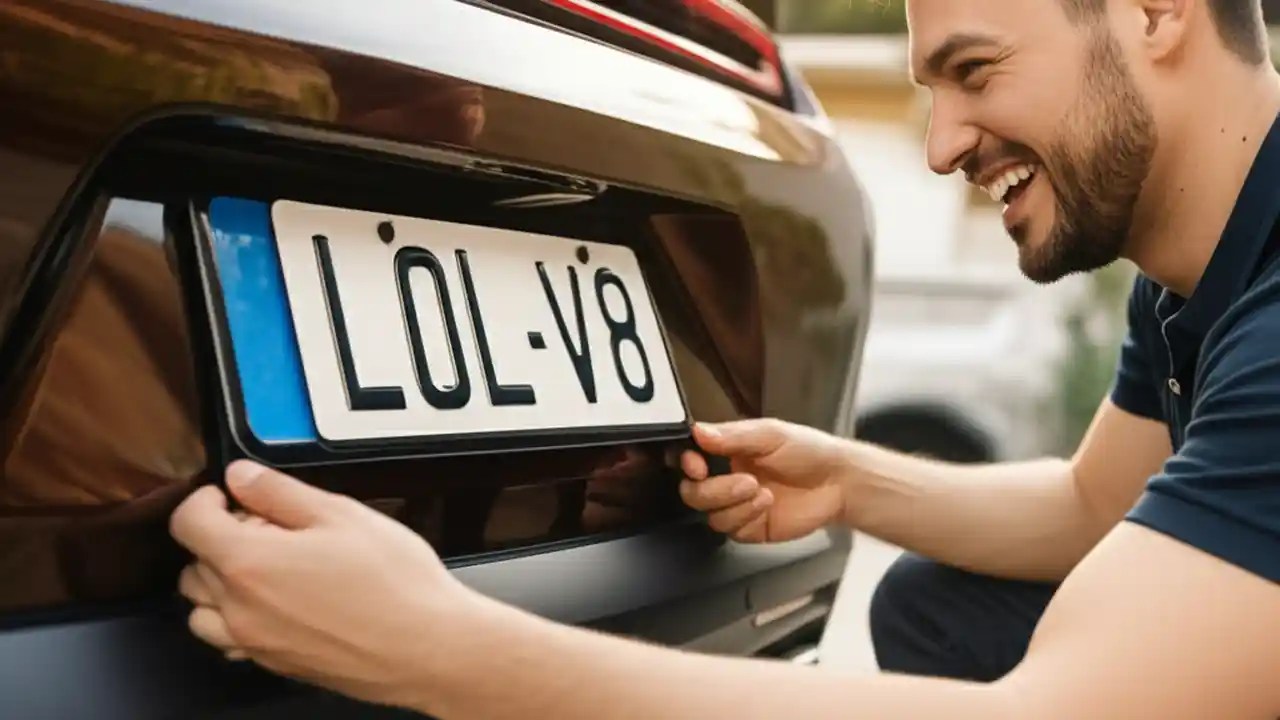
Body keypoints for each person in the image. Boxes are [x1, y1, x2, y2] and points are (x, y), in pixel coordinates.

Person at [169, 0, 1280, 716]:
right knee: (940, 606)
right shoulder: (1188, 282)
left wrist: (436, 648)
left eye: (974, 71)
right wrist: (846, 478)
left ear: (1151, 11)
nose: (939, 144)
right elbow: (1093, 507)